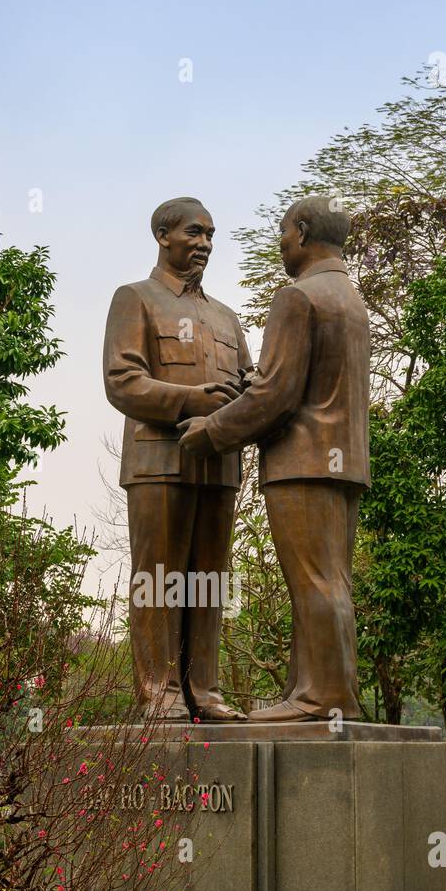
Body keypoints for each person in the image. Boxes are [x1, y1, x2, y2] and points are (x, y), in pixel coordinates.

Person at [179, 195, 370, 721]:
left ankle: (320, 698)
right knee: (332, 579)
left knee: (313, 579)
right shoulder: (350, 299)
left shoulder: (298, 298)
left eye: (284, 232)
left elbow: (277, 397)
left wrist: (212, 430)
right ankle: (324, 693)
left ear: (303, 233)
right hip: (344, 462)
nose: (281, 243)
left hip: (302, 461)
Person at [104, 197, 252, 720]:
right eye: (194, 233)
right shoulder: (136, 299)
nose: (205, 244)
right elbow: (122, 383)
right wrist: (193, 400)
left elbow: (248, 388)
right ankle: (159, 692)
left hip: (219, 467)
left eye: (211, 235)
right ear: (163, 235)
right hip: (157, 464)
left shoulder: (226, 317)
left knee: (209, 581)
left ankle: (204, 691)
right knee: (159, 578)